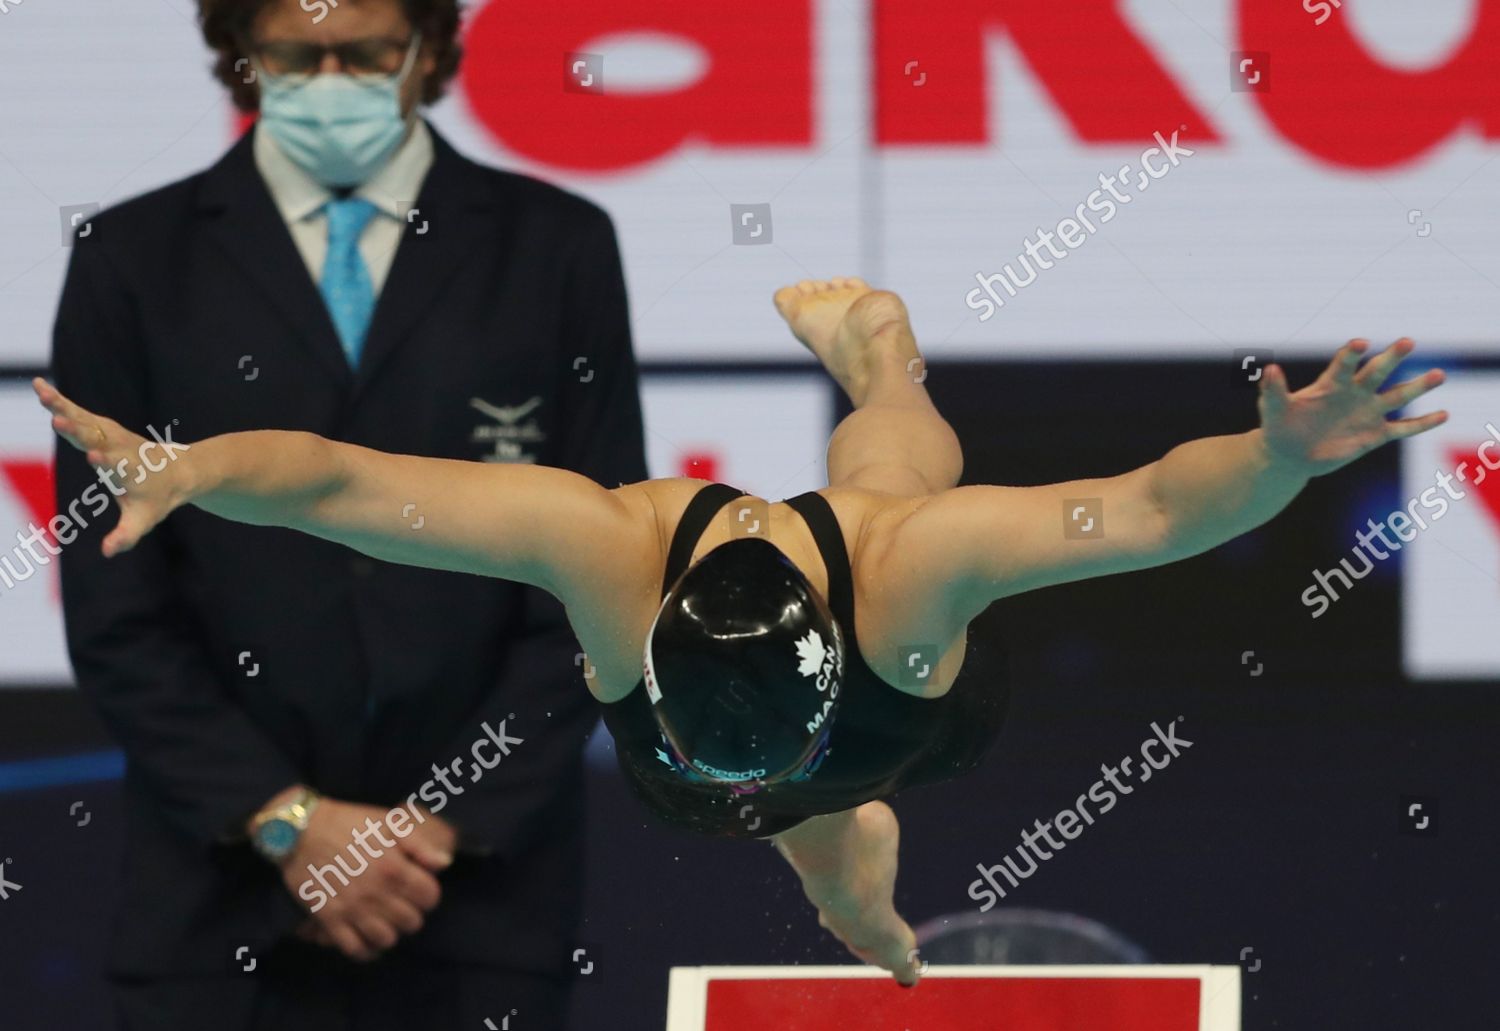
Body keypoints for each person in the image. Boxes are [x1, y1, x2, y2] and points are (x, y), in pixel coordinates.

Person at [36, 277, 1446, 989]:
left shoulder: (743, 560)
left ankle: (885, 356)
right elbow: (344, 486)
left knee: (898, 487)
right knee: (846, 873)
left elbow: (1147, 510)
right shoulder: (615, 562)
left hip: (898, 705)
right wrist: (198, 465)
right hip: (731, 767)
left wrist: (1288, 456)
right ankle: (872, 909)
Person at [49, 0, 645, 1026]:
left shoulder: (558, 248)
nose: (331, 78)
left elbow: (601, 568)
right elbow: (115, 596)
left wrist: (429, 830)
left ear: (429, 54)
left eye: (366, 50)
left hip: (480, 907)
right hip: (213, 904)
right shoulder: (130, 258)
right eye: (294, 51)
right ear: (243, 54)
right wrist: (288, 823)